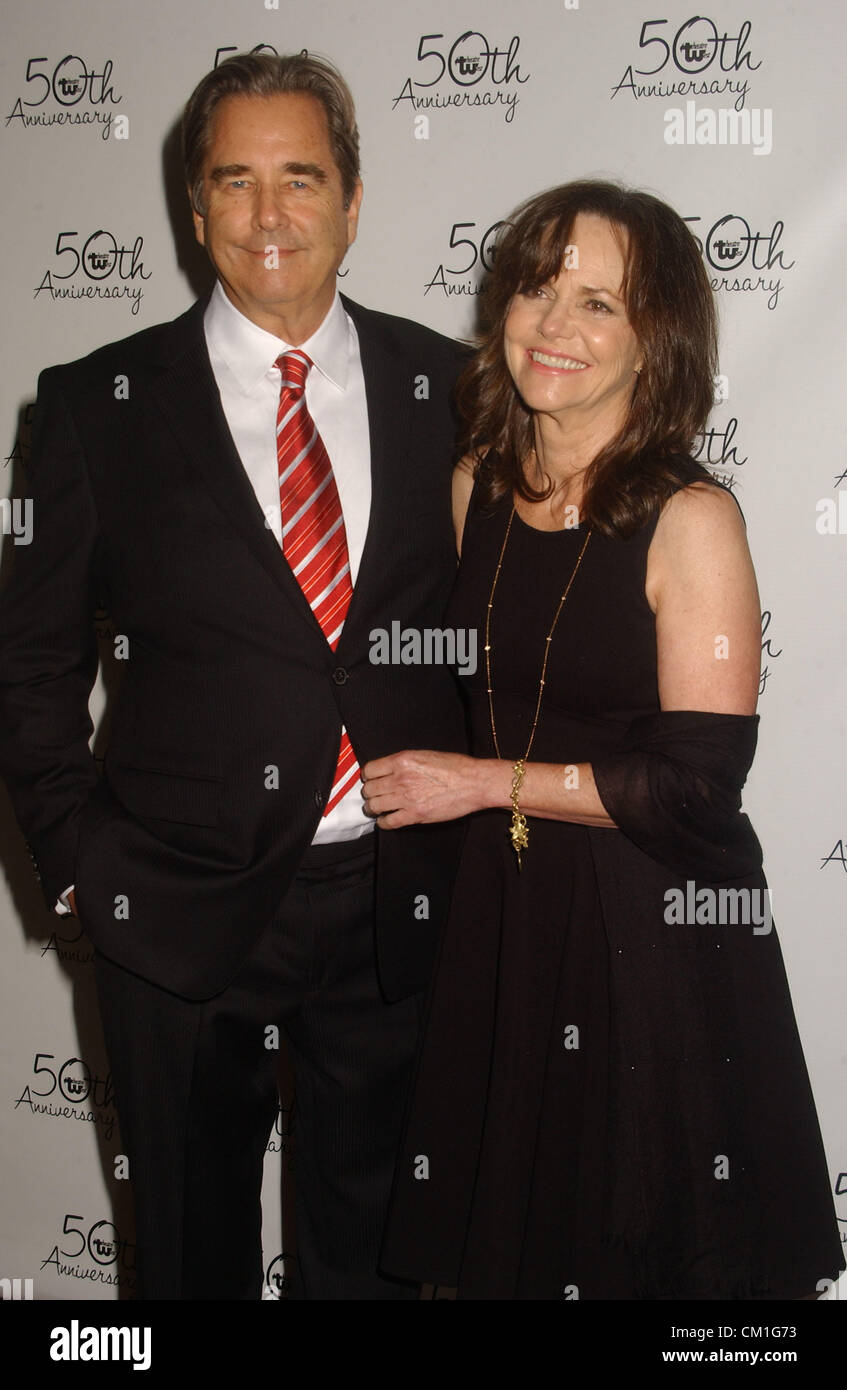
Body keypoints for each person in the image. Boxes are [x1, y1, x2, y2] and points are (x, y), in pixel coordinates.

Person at [0, 52, 468, 1300]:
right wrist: (81, 865)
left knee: (373, 1260)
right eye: (236, 182)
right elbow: (27, 664)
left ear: (354, 201)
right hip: (172, 904)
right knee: (187, 1265)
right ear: (194, 209)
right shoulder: (92, 407)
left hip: (394, 901)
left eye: (301, 178)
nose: (270, 215)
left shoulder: (457, 395)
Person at [364, 180, 845, 1300]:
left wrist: (480, 782)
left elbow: (696, 790)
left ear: (652, 341)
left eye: (596, 304)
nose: (552, 326)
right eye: (537, 289)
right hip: (507, 914)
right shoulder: (474, 484)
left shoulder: (689, 517)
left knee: (644, 1255)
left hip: (650, 933)